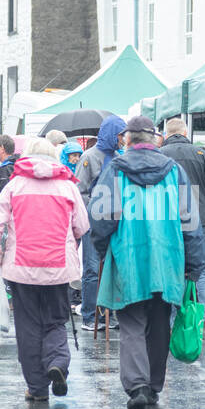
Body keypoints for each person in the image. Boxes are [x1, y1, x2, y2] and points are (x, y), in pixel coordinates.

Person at [89, 115, 205, 409]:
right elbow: (190, 221)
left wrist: (103, 248)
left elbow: (101, 217)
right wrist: (194, 263)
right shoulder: (176, 172)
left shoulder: (114, 170)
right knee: (159, 323)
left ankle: (138, 385)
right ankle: (153, 386)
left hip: (128, 257)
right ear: (155, 138)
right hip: (168, 260)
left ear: (127, 140)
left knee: (131, 321)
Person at [0, 137, 88, 398]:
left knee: (28, 326)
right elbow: (82, 226)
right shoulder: (67, 186)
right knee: (55, 321)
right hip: (58, 267)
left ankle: (37, 387)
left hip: (21, 268)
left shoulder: (15, 186)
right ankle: (57, 363)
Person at [162, 117, 205, 339]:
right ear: (185, 132)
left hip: (171, 220)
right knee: (203, 270)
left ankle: (171, 321)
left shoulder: (162, 155)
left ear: (166, 134)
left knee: (173, 268)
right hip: (200, 218)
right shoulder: (199, 153)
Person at [75, 115, 126, 330]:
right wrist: (97, 203)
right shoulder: (88, 157)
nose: (123, 139)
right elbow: (78, 191)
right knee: (92, 270)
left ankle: (108, 315)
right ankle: (89, 315)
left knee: (111, 270)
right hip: (92, 223)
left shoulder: (119, 158)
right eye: (120, 135)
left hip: (115, 222)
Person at [0, 135, 19, 214]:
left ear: (2, 148)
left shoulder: (5, 170)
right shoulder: (16, 166)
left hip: (1, 216)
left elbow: (4, 197)